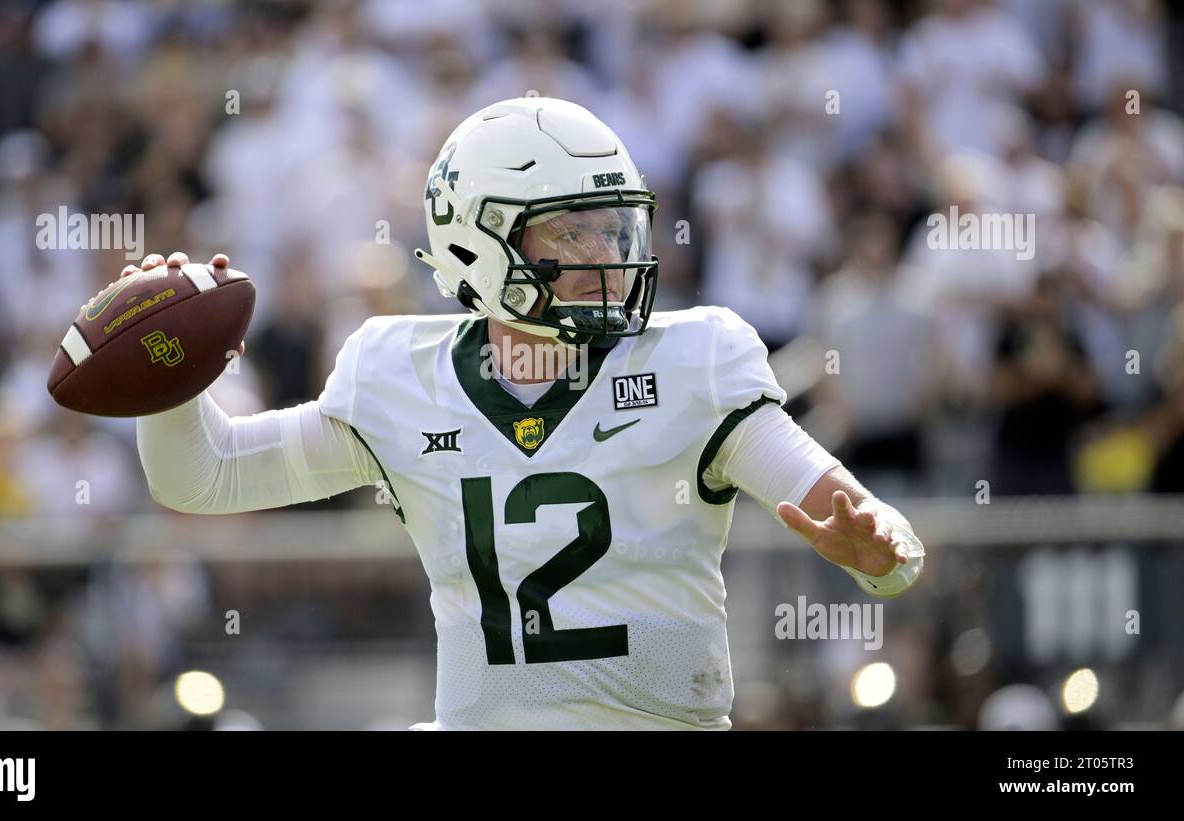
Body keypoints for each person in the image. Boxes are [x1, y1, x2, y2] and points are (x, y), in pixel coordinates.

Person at [132, 97, 925, 730]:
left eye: (614, 227)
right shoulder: (399, 376)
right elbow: (204, 476)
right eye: (570, 232)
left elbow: (867, 525)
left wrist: (881, 553)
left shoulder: (694, 362)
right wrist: (165, 365)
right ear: (477, 244)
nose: (604, 255)